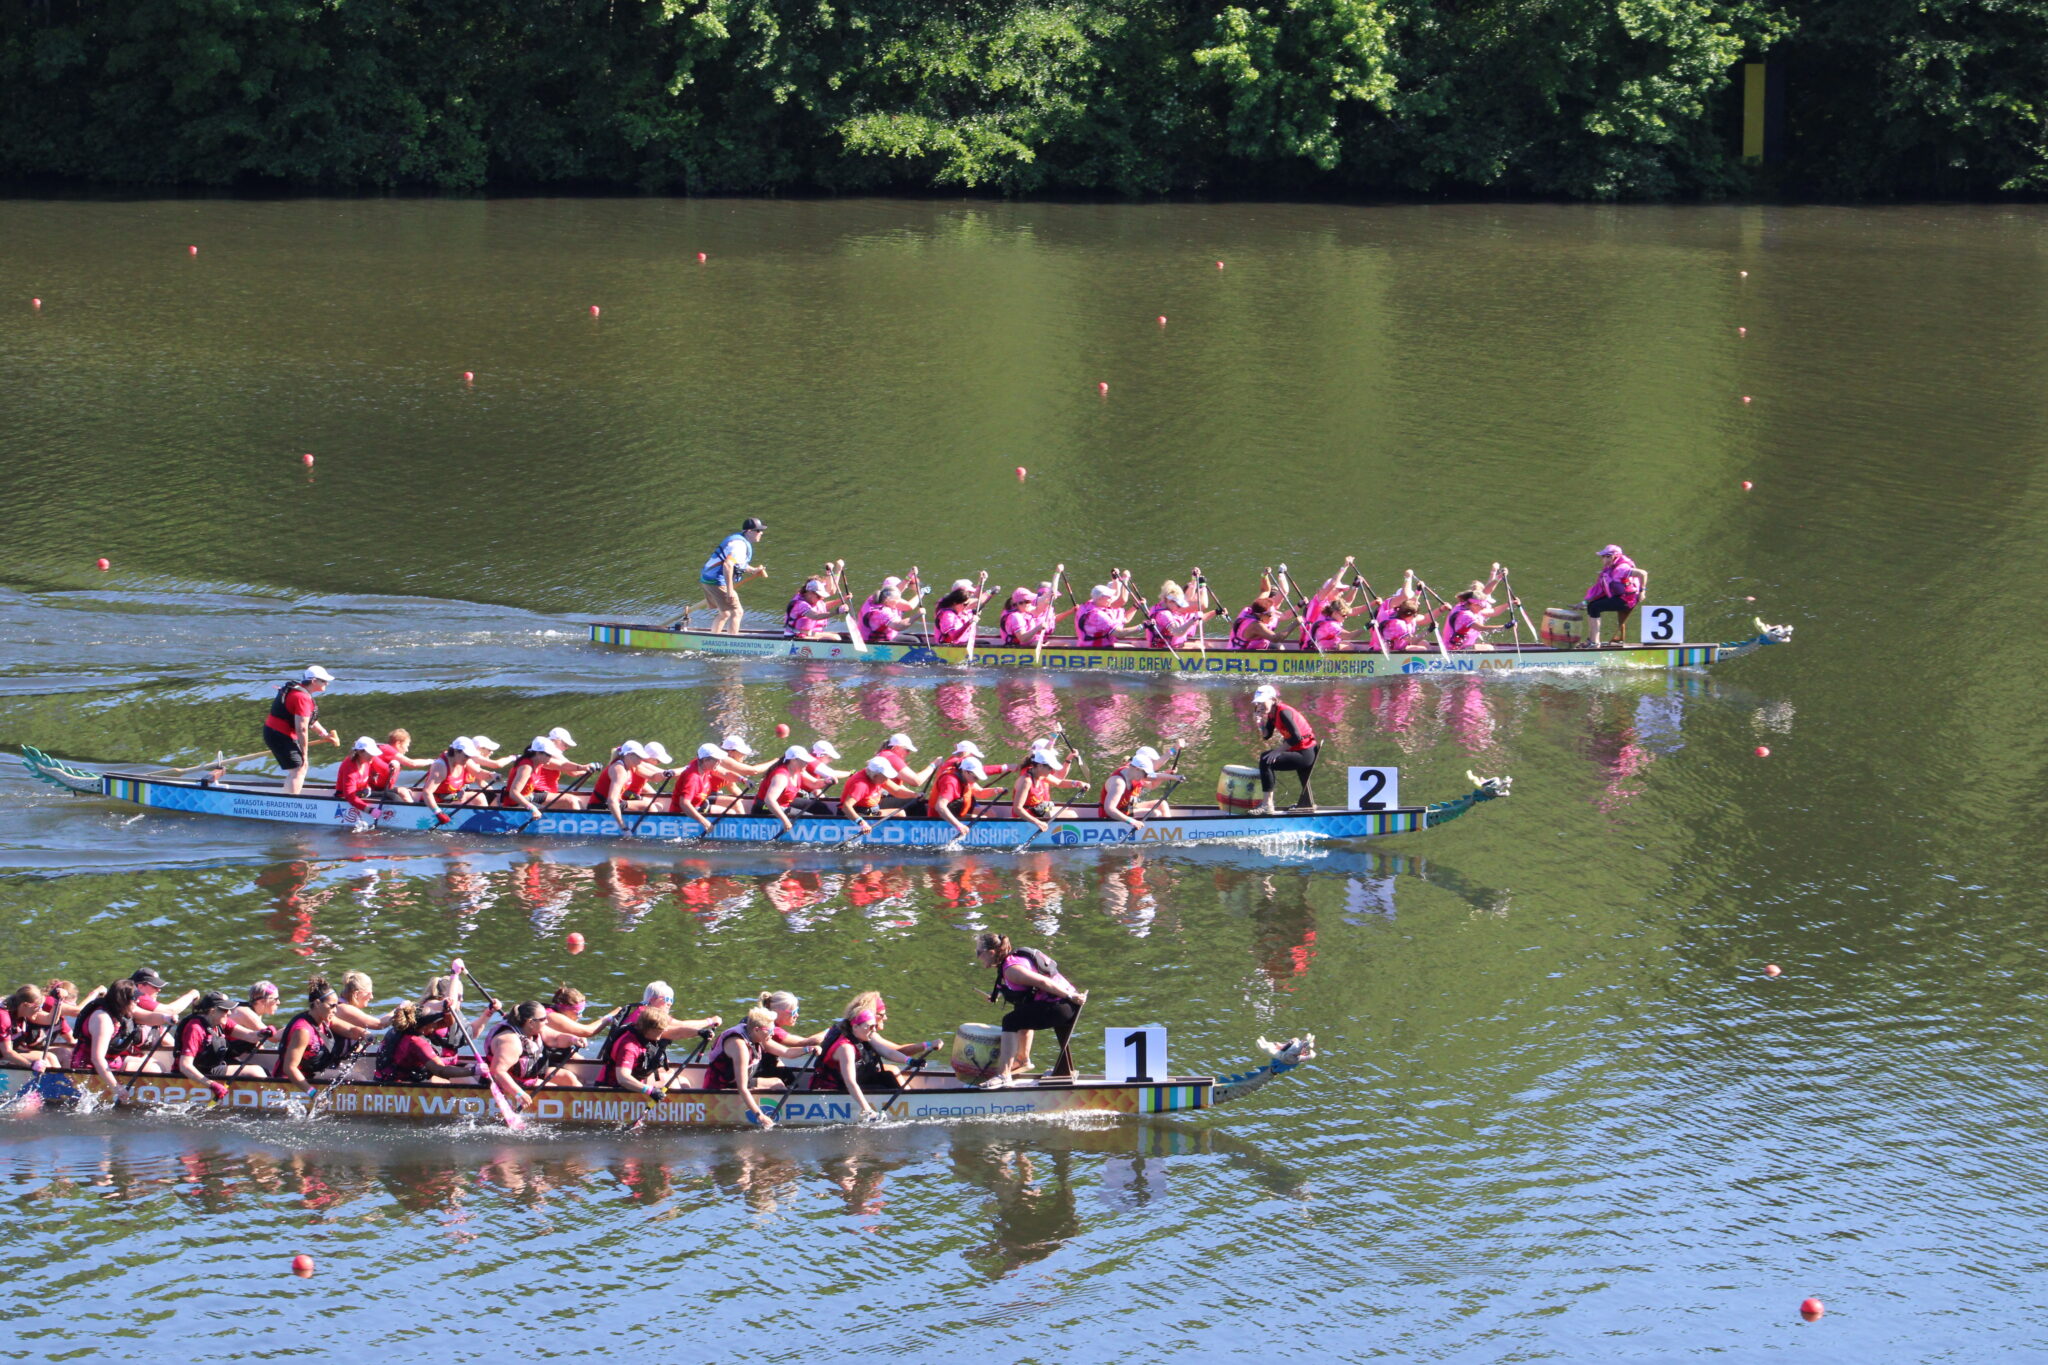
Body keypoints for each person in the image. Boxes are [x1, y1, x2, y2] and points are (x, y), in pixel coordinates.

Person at [806, 991, 943, 1119]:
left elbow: (888, 1052)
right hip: (832, 1087)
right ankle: (914, 1108)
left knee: (888, 1077)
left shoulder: (864, 1034)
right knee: (884, 1086)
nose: (873, 1031)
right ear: (855, 1027)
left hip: (847, 1081)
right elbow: (851, 1082)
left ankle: (913, 1103)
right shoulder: (846, 1048)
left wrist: (911, 1061)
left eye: (874, 1027)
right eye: (870, 1027)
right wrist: (868, 1111)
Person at [975, 932, 1087, 1086]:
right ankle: (1022, 1061)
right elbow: (1023, 988)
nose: (977, 957)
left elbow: (1043, 982)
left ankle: (1003, 1075)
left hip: (1063, 1005)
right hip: (1064, 1004)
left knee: (1010, 1021)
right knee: (1021, 1013)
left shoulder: (1011, 969)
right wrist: (999, 994)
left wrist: (1071, 995)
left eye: (978, 953)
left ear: (991, 952)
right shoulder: (1013, 959)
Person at [481, 1001, 585, 1108]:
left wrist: (574, 1039)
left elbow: (556, 1039)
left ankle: (582, 1104)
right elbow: (497, 1071)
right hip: (506, 1083)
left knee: (567, 1076)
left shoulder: (536, 1029)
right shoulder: (510, 1042)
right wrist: (519, 1093)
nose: (547, 1021)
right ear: (530, 1022)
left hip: (527, 1077)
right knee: (555, 1091)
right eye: (543, 1019)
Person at [702, 1007, 785, 1128]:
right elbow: (742, 1088)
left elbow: (787, 1052)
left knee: (778, 1084)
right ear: (757, 1030)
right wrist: (759, 1115)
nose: (773, 1033)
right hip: (719, 1087)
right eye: (771, 1030)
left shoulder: (756, 1035)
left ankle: (785, 1113)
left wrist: (808, 1049)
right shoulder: (739, 1047)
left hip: (734, 1082)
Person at [262, 665, 336, 794]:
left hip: (275, 732)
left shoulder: (300, 692)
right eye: (324, 681)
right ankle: (292, 803)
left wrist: (324, 734)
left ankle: (288, 796)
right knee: (299, 768)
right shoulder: (302, 697)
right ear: (313, 681)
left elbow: (308, 720)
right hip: (279, 735)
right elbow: (301, 728)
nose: (327, 683)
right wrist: (305, 754)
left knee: (297, 768)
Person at [921, 741, 1014, 839]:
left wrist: (997, 790)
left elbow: (979, 793)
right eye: (975, 777)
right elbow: (940, 806)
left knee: (986, 816)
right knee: (984, 816)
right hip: (938, 820)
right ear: (966, 772)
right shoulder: (951, 781)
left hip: (955, 813)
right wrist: (959, 825)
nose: (976, 780)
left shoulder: (965, 776)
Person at [1251, 683, 1319, 814]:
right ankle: (1306, 803)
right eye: (1257, 703)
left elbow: (1297, 737)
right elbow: (1267, 735)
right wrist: (1259, 722)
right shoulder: (1272, 713)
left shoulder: (1283, 712)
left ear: (1273, 700)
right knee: (1264, 757)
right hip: (1299, 750)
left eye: (1262, 702)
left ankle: (1267, 805)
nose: (1259, 706)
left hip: (1305, 753)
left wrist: (1278, 751)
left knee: (1266, 761)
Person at [273, 977, 355, 1086]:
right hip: (290, 1081)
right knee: (358, 1078)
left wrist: (365, 1034)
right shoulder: (303, 1031)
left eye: (337, 1005)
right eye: (332, 1006)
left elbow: (350, 1030)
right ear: (317, 1003)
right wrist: (312, 1093)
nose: (335, 1010)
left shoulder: (326, 1019)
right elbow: (289, 1068)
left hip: (312, 1073)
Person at [372, 1003, 476, 1084]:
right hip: (397, 1085)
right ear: (424, 1027)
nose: (436, 1027)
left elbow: (446, 1023)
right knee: (452, 1079)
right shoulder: (416, 1042)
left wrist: (447, 1012)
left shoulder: (401, 1028)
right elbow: (441, 1070)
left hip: (381, 1078)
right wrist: (473, 1070)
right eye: (433, 1024)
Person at [70, 979, 144, 1088]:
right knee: (150, 1069)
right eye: (135, 998)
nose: (138, 1001)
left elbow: (150, 1017)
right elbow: (97, 1058)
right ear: (123, 1000)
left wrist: (166, 1018)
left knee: (152, 1063)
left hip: (111, 1062)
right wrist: (116, 1088)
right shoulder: (103, 1019)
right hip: (88, 1068)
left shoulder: (117, 1011)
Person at [699, 517, 768, 634]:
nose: (761, 533)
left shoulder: (739, 541)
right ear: (749, 531)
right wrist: (729, 590)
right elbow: (728, 565)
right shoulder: (739, 545)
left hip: (707, 579)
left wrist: (753, 570)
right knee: (737, 612)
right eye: (758, 531)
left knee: (725, 613)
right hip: (716, 581)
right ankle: (732, 642)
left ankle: (713, 639)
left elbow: (738, 563)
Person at [172, 991, 246, 1096]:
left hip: (210, 1066)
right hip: (194, 1072)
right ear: (212, 1011)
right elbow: (185, 1066)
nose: (229, 1013)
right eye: (225, 1010)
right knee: (254, 1072)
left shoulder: (220, 1021)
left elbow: (250, 1035)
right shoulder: (195, 1028)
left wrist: (262, 1033)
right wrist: (211, 1085)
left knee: (256, 1067)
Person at [1010, 744, 1090, 833]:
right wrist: (1038, 822)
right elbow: (1017, 809)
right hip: (1025, 819)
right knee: (1072, 814)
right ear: (1040, 766)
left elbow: (1059, 782)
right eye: (1050, 768)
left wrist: (1078, 783)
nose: (1052, 771)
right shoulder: (1026, 781)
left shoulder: (1041, 775)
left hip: (1038, 810)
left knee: (1070, 810)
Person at [594, 741, 675, 828]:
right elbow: (612, 801)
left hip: (617, 802)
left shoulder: (632, 767)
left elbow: (654, 777)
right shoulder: (619, 771)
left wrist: (683, 771)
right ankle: (654, 829)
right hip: (601, 806)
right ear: (629, 755)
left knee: (660, 801)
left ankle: (655, 826)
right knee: (649, 806)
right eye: (639, 757)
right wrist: (623, 827)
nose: (641, 760)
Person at [839, 756, 921, 834]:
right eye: (885, 776)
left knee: (904, 810)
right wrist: (861, 822)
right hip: (856, 815)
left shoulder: (879, 777)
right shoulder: (861, 785)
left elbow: (897, 791)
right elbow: (846, 807)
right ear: (875, 776)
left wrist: (915, 795)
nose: (887, 779)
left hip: (871, 811)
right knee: (900, 813)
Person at [755, 990, 824, 1081]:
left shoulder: (765, 1022)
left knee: (786, 1072)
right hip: (753, 1071)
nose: (797, 1015)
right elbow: (809, 1042)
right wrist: (834, 1029)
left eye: (797, 1010)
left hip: (761, 1064)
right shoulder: (767, 1030)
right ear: (777, 1012)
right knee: (787, 1078)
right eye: (793, 1012)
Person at [1585, 544, 1647, 645]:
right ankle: (1592, 640)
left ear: (1613, 557)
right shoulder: (1609, 569)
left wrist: (1642, 591)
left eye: (1605, 557)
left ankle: (1594, 642)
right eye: (1603, 557)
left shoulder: (1621, 568)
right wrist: (1584, 602)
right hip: (1619, 596)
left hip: (1627, 600)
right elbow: (1599, 589)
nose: (1603, 559)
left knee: (1595, 607)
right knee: (1592, 605)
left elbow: (1643, 573)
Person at [1099, 746, 1176, 826]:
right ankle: (1165, 832)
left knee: (1162, 803)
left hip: (1129, 807)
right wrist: (1132, 821)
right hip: (1115, 815)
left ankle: (1169, 828)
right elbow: (1109, 809)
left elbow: (1152, 784)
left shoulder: (1135, 772)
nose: (1156, 765)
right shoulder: (1120, 782)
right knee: (1155, 813)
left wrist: (1170, 775)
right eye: (1153, 762)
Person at [663, 743, 731, 833]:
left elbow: (726, 773)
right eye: (717, 760)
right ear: (706, 760)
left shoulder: (701, 765)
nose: (720, 762)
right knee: (730, 814)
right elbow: (684, 804)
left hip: (698, 807)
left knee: (730, 813)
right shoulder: (693, 778)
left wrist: (743, 780)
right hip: (681, 816)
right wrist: (705, 822)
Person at [420, 736, 489, 824]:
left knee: (480, 796)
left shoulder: (463, 760)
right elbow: (427, 792)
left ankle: (485, 822)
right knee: (460, 804)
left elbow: (478, 773)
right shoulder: (440, 766)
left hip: (453, 797)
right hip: (438, 801)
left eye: (470, 756)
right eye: (466, 755)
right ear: (456, 751)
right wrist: (438, 813)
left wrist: (492, 775)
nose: (468, 758)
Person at [497, 735, 569, 819]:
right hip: (514, 803)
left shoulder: (539, 762)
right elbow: (513, 793)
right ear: (538, 753)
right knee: (548, 812)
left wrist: (582, 767)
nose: (550, 758)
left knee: (568, 800)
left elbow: (562, 764)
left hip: (529, 796)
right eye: (549, 755)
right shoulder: (526, 767)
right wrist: (532, 809)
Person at [221, 981, 281, 1071]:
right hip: (227, 1058)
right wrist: (296, 1025)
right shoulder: (244, 1012)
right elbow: (274, 1038)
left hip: (240, 1053)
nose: (279, 1002)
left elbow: (258, 1044)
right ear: (262, 1001)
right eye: (275, 999)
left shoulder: (254, 1011)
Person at [1145, 580, 1215, 651]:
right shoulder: (1164, 615)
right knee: (1199, 647)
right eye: (1178, 605)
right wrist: (1193, 619)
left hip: (1173, 645)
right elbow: (1177, 632)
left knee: (1205, 645)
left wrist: (1194, 580)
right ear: (1169, 601)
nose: (1179, 608)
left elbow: (1187, 596)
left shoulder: (1162, 604)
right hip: (1165, 649)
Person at [333, 736, 394, 814]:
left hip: (363, 793)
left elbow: (386, 769)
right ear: (360, 752)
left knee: (394, 795)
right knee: (392, 797)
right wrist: (369, 810)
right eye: (371, 753)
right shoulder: (349, 767)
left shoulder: (369, 759)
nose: (373, 756)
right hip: (345, 797)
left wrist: (393, 763)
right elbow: (350, 796)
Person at [933, 576, 999, 647]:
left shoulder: (960, 603)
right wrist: (969, 622)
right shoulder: (948, 615)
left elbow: (978, 599)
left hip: (964, 642)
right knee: (984, 645)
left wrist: (986, 587)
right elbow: (954, 636)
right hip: (951, 646)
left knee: (985, 644)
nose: (971, 596)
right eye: (969, 593)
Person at [1075, 581, 1141, 648]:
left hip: (1087, 644)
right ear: (1100, 598)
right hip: (1097, 648)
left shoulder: (1087, 605)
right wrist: (1142, 626)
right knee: (1131, 648)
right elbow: (1119, 634)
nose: (1111, 598)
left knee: (1132, 645)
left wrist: (1136, 606)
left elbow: (1124, 619)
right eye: (1109, 597)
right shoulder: (1098, 615)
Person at [858, 575, 921, 643]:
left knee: (917, 637)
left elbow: (900, 588)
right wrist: (918, 614)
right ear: (888, 600)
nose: (898, 602)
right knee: (915, 640)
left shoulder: (875, 598)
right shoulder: (883, 612)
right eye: (897, 600)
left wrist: (910, 575)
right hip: (873, 641)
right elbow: (899, 626)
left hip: (873, 634)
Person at [784, 576, 848, 641]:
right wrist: (837, 611)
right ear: (810, 593)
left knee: (842, 636)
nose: (821, 599)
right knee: (836, 638)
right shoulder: (801, 604)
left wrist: (841, 600)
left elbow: (823, 607)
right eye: (819, 596)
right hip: (794, 636)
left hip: (807, 633)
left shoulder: (810, 600)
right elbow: (815, 616)